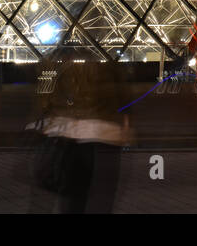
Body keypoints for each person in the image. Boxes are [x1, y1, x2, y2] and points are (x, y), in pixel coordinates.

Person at [39, 54, 131, 213]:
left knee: (73, 199)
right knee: (102, 198)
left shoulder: (64, 60)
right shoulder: (108, 61)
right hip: (105, 134)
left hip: (71, 135)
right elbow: (122, 95)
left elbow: (50, 96)